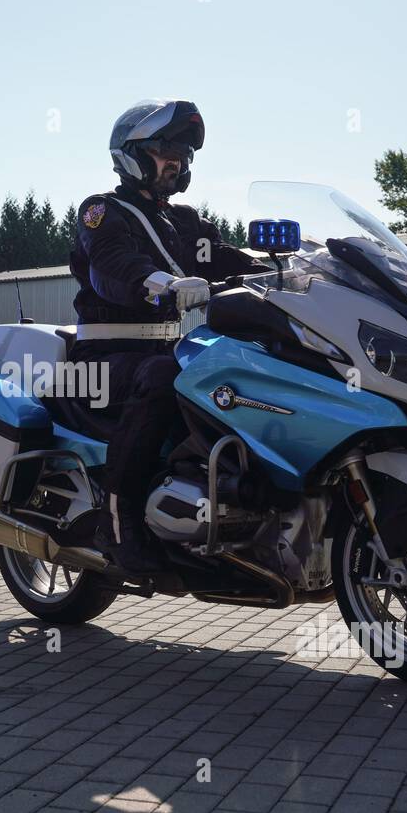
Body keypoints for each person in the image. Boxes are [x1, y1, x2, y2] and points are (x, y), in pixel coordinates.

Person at [69, 98, 264, 574]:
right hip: (106, 356)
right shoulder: (102, 211)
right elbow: (113, 267)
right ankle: (117, 523)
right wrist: (161, 285)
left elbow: (225, 258)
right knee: (161, 379)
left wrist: (285, 272)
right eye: (164, 147)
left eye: (182, 151)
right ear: (131, 153)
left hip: (173, 350)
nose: (176, 159)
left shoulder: (185, 222)